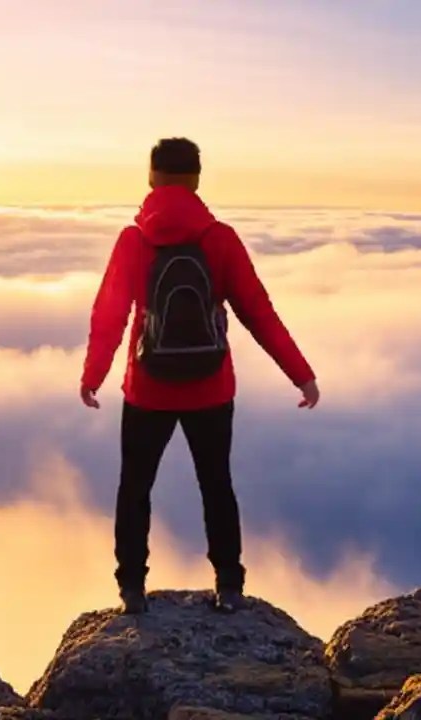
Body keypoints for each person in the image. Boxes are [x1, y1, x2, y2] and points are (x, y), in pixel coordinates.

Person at [80, 137, 319, 615]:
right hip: (211, 388)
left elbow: (110, 313)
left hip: (148, 388)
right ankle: (229, 585)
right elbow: (258, 313)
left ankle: (132, 590)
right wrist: (301, 375)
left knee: (135, 487)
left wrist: (94, 374)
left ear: (152, 177)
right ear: (196, 180)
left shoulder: (134, 240)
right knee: (216, 484)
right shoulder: (220, 239)